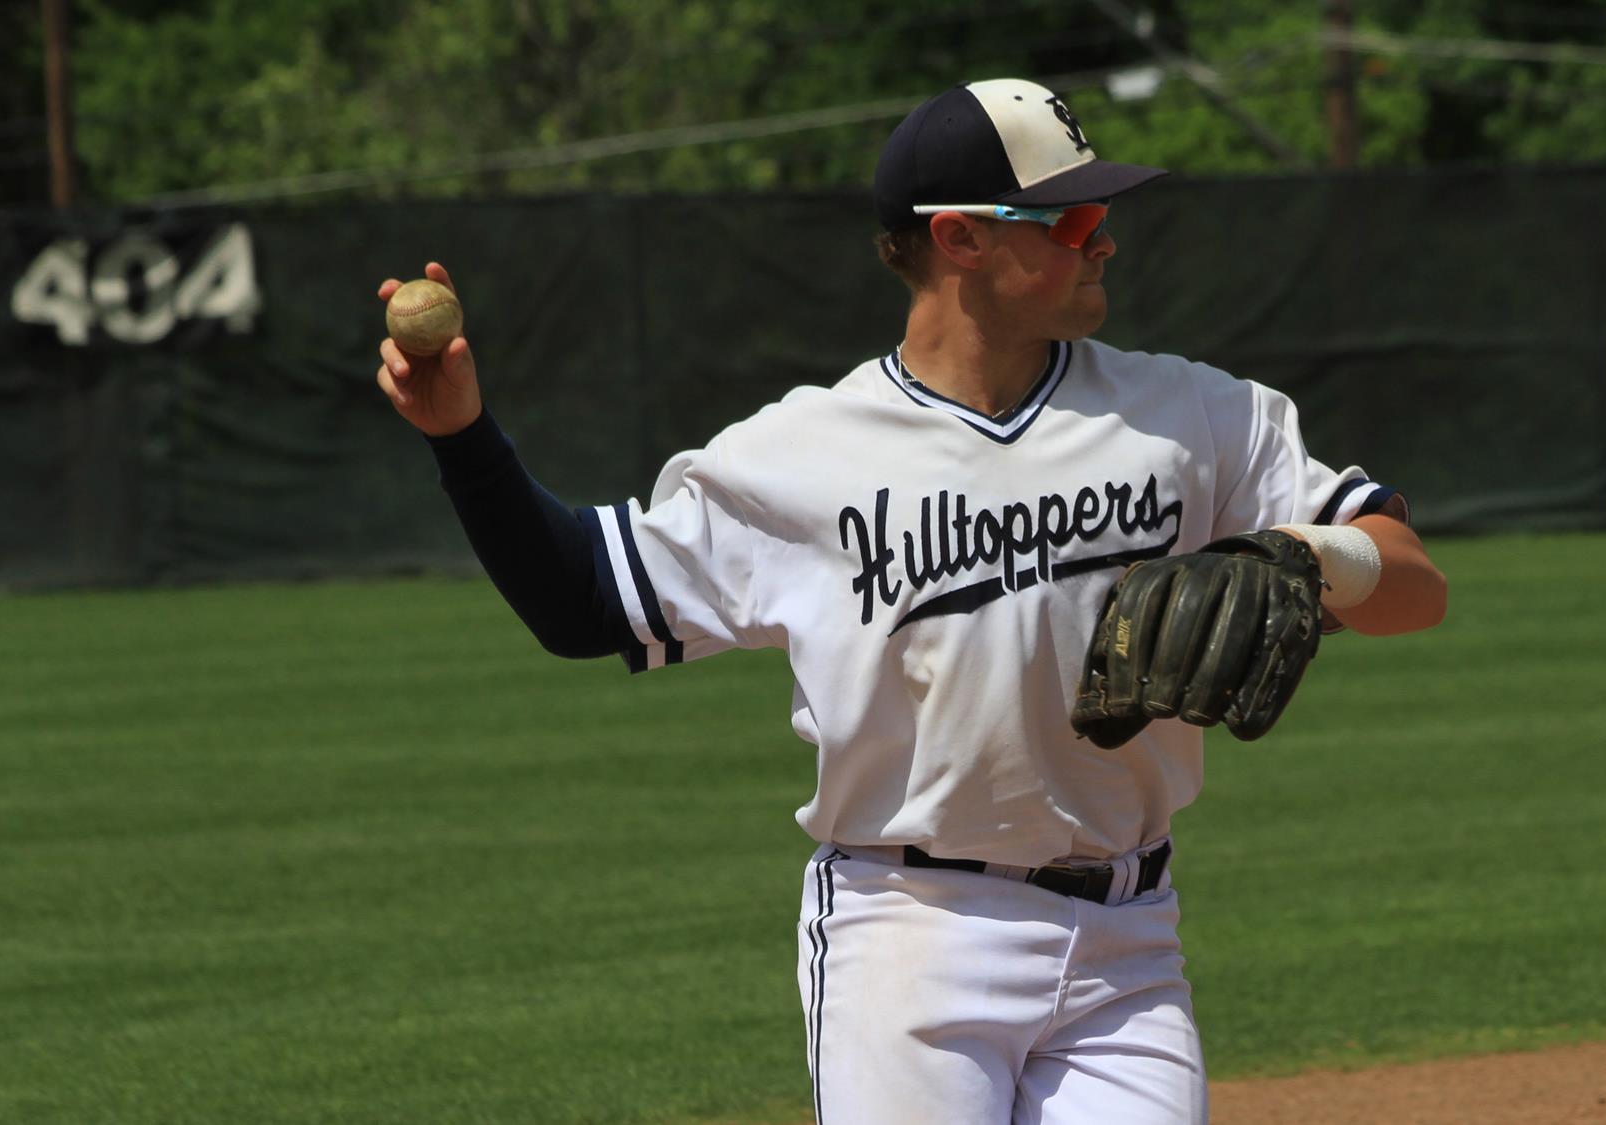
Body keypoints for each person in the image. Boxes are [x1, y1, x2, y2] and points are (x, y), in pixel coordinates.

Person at [375, 77, 1445, 1125]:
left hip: (1129, 945)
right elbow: (583, 603)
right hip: (913, 935)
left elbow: (1412, 582)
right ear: (961, 240)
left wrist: (1310, 560)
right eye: (1069, 216)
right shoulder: (801, 455)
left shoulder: (1191, 417)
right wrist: (462, 439)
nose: (1103, 238)